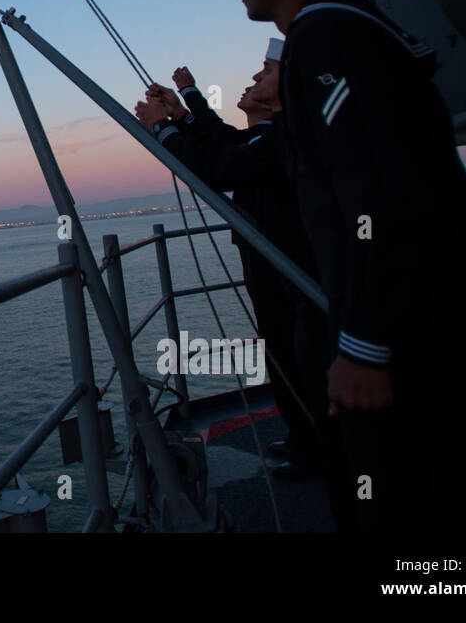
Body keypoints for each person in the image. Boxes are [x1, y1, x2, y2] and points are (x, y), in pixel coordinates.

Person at [240, 0, 466, 531]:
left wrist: (364, 346)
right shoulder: (353, 35)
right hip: (421, 316)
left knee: (411, 499)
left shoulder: (326, 40)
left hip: (403, 329)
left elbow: (380, 196)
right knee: (452, 487)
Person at [134, 47, 331, 484]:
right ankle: (307, 438)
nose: (255, 77)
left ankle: (322, 449)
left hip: (288, 263)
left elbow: (216, 163)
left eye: (268, 71)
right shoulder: (274, 135)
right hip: (273, 259)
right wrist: (182, 108)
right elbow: (223, 140)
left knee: (301, 355)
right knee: (283, 352)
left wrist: (162, 129)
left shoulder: (283, 136)